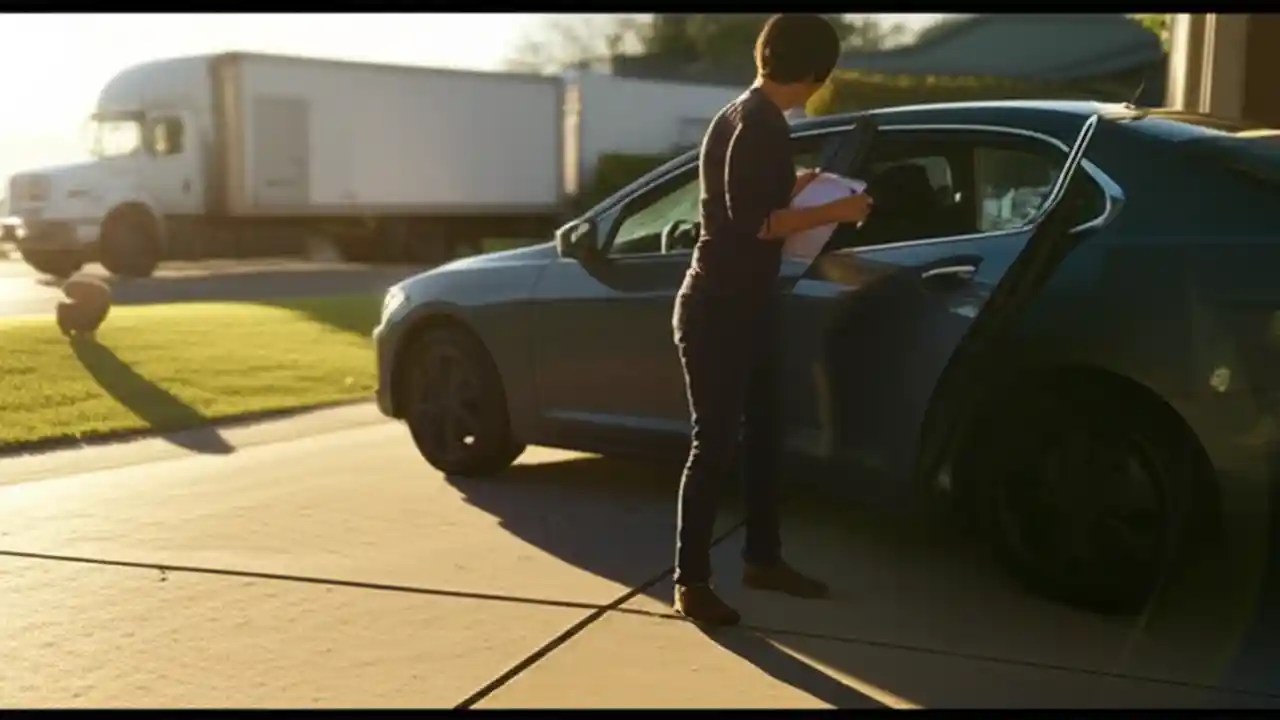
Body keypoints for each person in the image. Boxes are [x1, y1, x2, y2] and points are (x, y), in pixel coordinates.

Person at [671, 14, 875, 627]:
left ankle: (763, 559)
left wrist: (803, 185)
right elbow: (754, 223)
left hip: (749, 304)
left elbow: (753, 201)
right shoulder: (757, 124)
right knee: (714, 444)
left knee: (763, 433)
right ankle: (690, 582)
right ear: (815, 73)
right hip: (718, 308)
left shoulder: (748, 116)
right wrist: (839, 209)